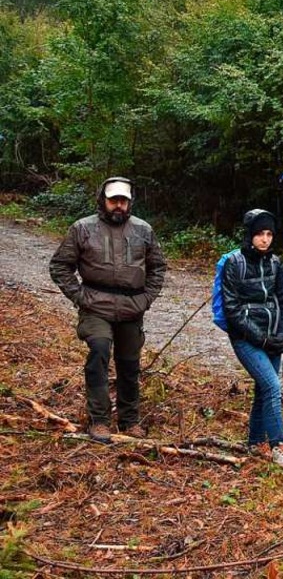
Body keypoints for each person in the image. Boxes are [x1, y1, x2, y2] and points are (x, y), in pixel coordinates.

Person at [49, 177, 168, 443]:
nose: (118, 205)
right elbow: (60, 266)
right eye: (113, 200)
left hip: (131, 307)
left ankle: (129, 420)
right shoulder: (83, 228)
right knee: (99, 351)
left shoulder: (143, 230)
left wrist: (147, 298)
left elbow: (158, 266)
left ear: (130, 202)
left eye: (123, 201)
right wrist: (80, 296)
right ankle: (100, 420)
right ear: (103, 199)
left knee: (129, 364)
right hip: (95, 307)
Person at [220, 209, 283, 471]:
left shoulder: (275, 263)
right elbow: (232, 309)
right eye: (260, 234)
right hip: (246, 338)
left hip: (274, 336)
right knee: (272, 386)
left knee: (263, 388)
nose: (265, 239)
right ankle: (280, 447)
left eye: (269, 234)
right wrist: (262, 338)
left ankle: (256, 441)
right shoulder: (235, 263)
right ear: (250, 235)